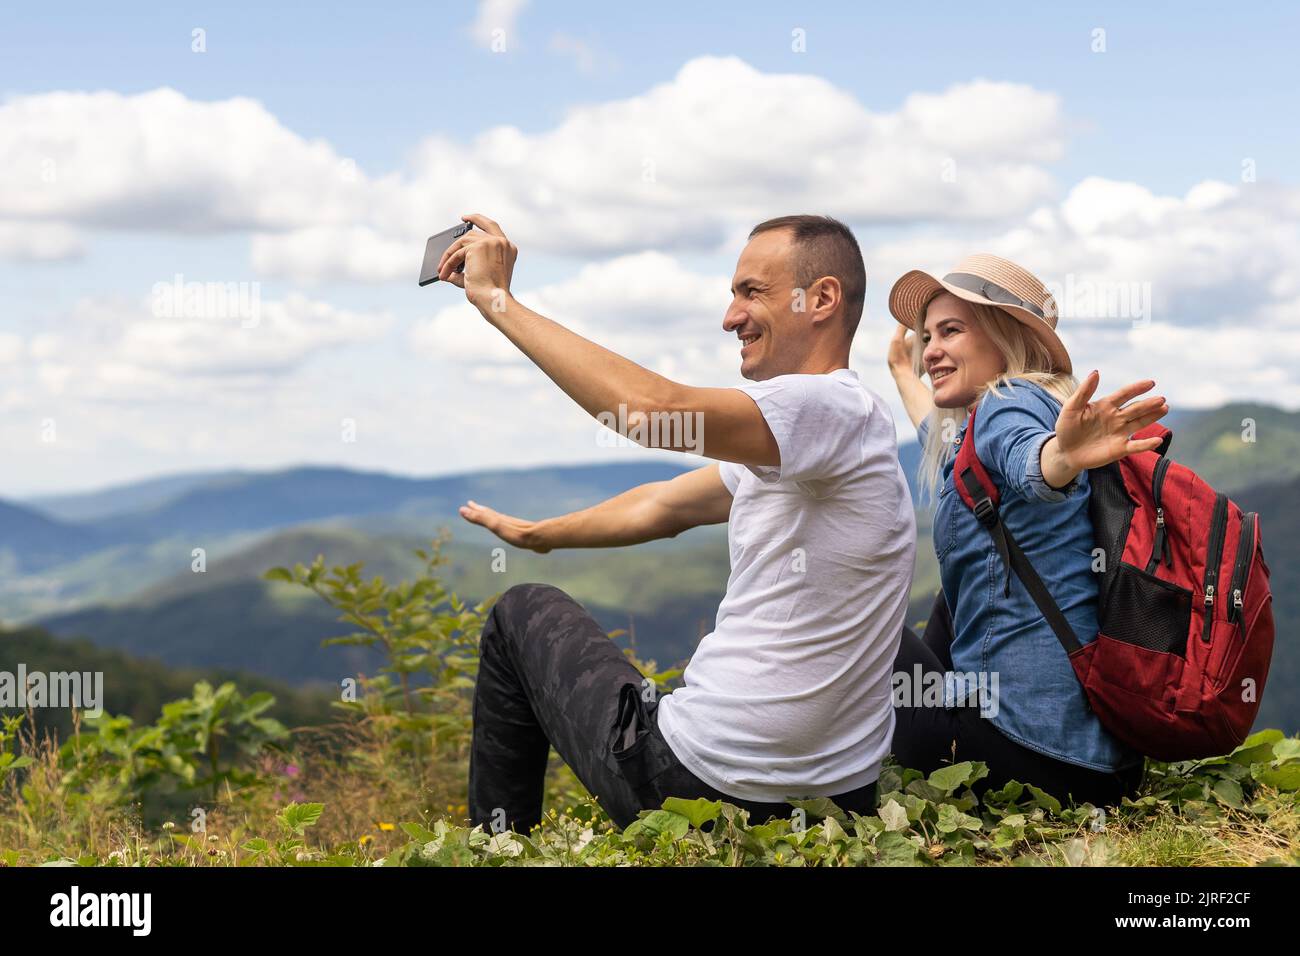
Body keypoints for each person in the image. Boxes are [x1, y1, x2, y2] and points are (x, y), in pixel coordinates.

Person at [436, 213, 915, 833]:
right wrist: (540, 535)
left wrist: (497, 301)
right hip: (839, 800)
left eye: (751, 292)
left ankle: (496, 846)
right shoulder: (822, 438)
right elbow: (663, 507)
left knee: (518, 614)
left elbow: (653, 413)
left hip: (701, 787)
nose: (730, 317)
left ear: (821, 298)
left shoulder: (827, 405)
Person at [884, 253, 1167, 808]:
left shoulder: (1006, 404)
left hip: (1022, 756)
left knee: (853, 613)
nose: (930, 349)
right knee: (954, 595)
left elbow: (1033, 464)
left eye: (951, 331)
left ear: (1005, 337)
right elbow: (945, 451)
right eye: (925, 336)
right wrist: (899, 369)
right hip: (1096, 771)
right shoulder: (994, 424)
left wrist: (1061, 456)